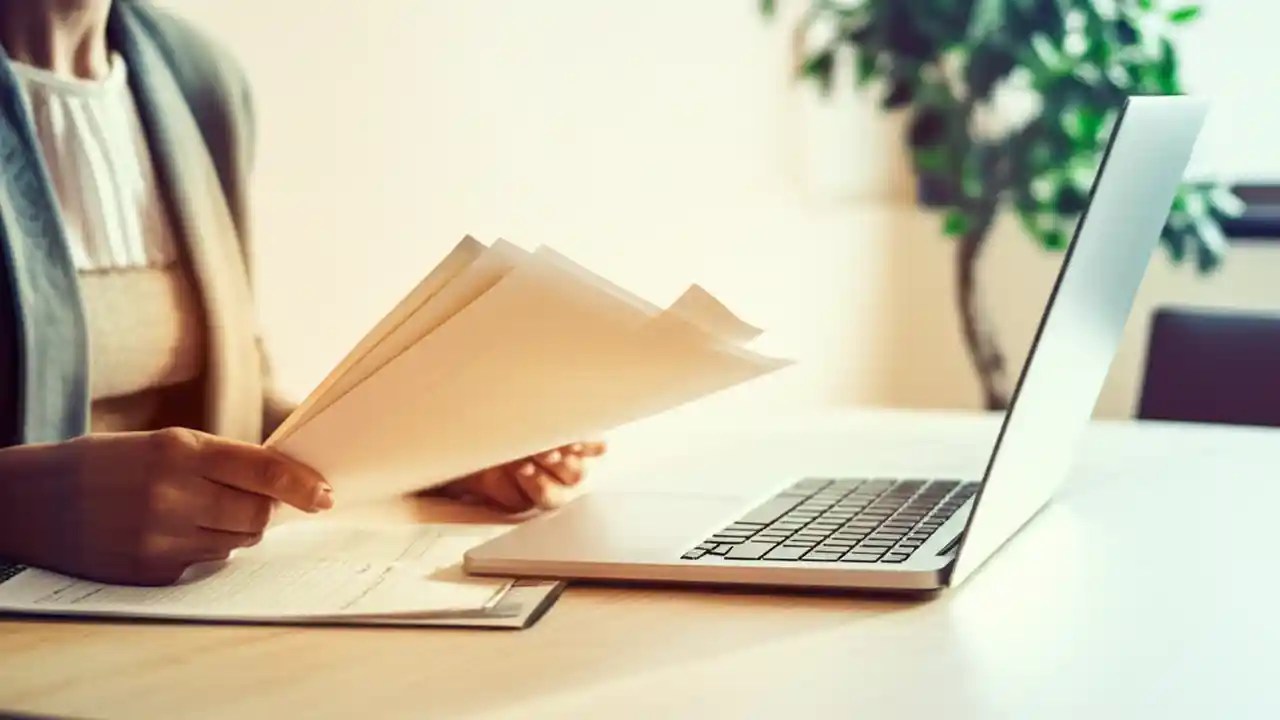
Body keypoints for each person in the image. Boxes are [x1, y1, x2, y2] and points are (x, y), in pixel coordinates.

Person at [0, 0, 604, 586]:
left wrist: (439, 451)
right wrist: (20, 505)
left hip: (165, 614)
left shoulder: (194, 77)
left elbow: (226, 413)